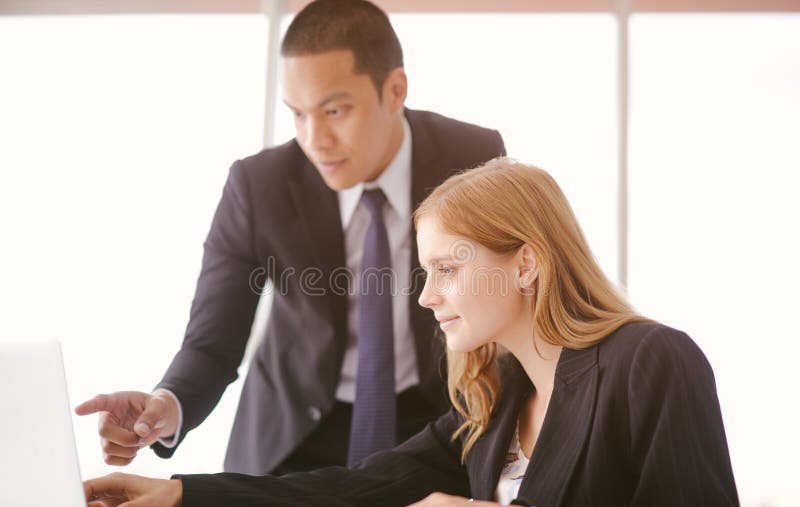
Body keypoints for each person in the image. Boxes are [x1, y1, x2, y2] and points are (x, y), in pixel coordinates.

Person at [84, 158, 742, 507]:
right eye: (425, 275)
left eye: (448, 270)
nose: (427, 298)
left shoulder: (652, 362)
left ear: (526, 263)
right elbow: (351, 490)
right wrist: (175, 494)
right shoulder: (491, 402)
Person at [74, 0, 505, 475]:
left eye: (334, 110)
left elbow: (506, 305)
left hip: (434, 427)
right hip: (292, 436)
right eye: (297, 114)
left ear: (395, 90)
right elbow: (212, 342)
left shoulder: (473, 157)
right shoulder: (259, 186)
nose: (314, 139)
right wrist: (164, 406)